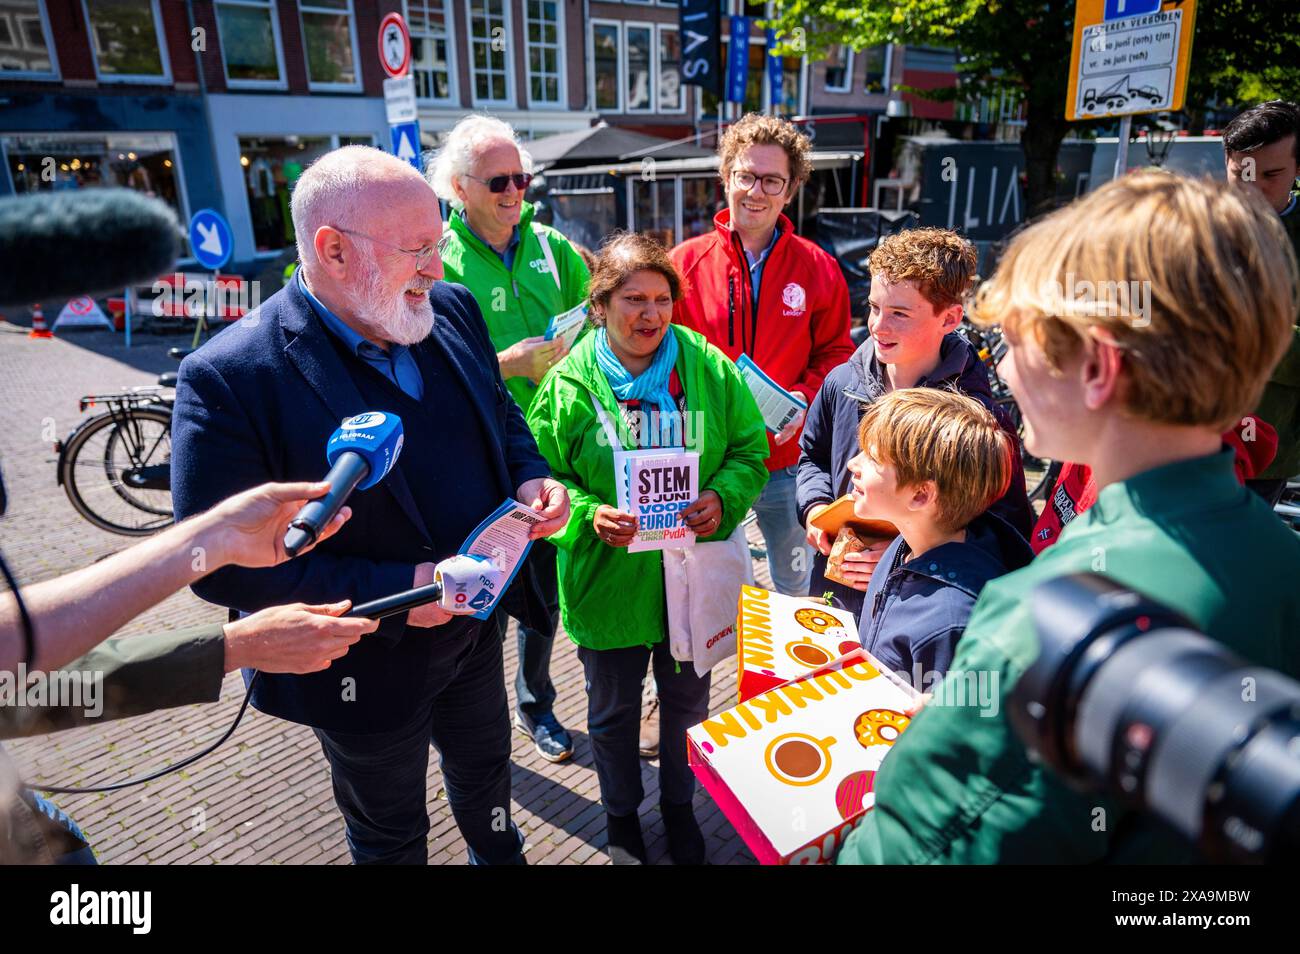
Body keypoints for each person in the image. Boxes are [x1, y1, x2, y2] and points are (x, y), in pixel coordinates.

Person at [837, 172, 1300, 865]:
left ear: (1097, 370)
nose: (1004, 371)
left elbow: (913, 850)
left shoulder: (1048, 613)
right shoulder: (1280, 554)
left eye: (1017, 340)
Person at [170, 145, 571, 866]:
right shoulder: (229, 376)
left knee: (488, 789)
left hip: (475, 637)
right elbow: (217, 568)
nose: (438, 269)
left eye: (439, 245)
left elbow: (503, 418)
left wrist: (530, 478)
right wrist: (401, 591)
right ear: (334, 251)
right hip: (363, 667)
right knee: (390, 838)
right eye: (418, 250)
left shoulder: (451, 309)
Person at [526, 233, 768, 864]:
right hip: (609, 585)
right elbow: (538, 476)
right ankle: (621, 817)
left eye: (662, 299)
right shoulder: (568, 385)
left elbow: (750, 450)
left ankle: (680, 810)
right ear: (600, 305)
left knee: (688, 709)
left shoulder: (707, 366)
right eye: (634, 298)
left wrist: (723, 496)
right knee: (611, 716)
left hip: (694, 575)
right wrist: (584, 513)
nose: (651, 314)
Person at [0, 478, 379, 864]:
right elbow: (22, 682)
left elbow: (16, 666)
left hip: (28, 823)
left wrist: (217, 536)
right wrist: (233, 644)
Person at [428, 114, 591, 763]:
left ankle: (534, 704)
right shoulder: (436, 258)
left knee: (543, 602)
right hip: (474, 461)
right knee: (476, 606)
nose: (513, 191)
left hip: (552, 454)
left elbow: (596, 322)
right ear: (460, 187)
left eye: (521, 178)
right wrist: (507, 363)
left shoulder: (554, 247)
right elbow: (419, 368)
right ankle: (471, 722)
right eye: (498, 180)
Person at [796, 227, 1032, 616]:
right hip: (835, 595)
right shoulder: (841, 382)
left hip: (917, 610)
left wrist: (903, 557)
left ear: (950, 318)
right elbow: (813, 456)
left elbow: (1002, 531)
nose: (878, 326)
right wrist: (816, 510)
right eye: (874, 307)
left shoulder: (980, 425)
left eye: (899, 314)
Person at [670, 113, 854, 597]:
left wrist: (805, 396)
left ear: (790, 190)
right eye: (745, 175)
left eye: (771, 180)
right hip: (707, 461)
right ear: (725, 177)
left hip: (786, 461)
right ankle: (708, 669)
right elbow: (660, 351)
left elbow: (838, 349)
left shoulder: (819, 268)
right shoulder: (683, 264)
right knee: (703, 583)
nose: (756, 190)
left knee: (795, 582)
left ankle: (784, 672)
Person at [848, 389, 1032, 686]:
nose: (853, 465)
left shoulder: (952, 622)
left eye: (871, 458)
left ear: (921, 495)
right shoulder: (906, 545)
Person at [1224, 100, 1300, 505]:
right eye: (1241, 173)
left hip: (1262, 453)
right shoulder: (1189, 223)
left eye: (1271, 175)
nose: (1252, 186)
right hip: (1177, 435)